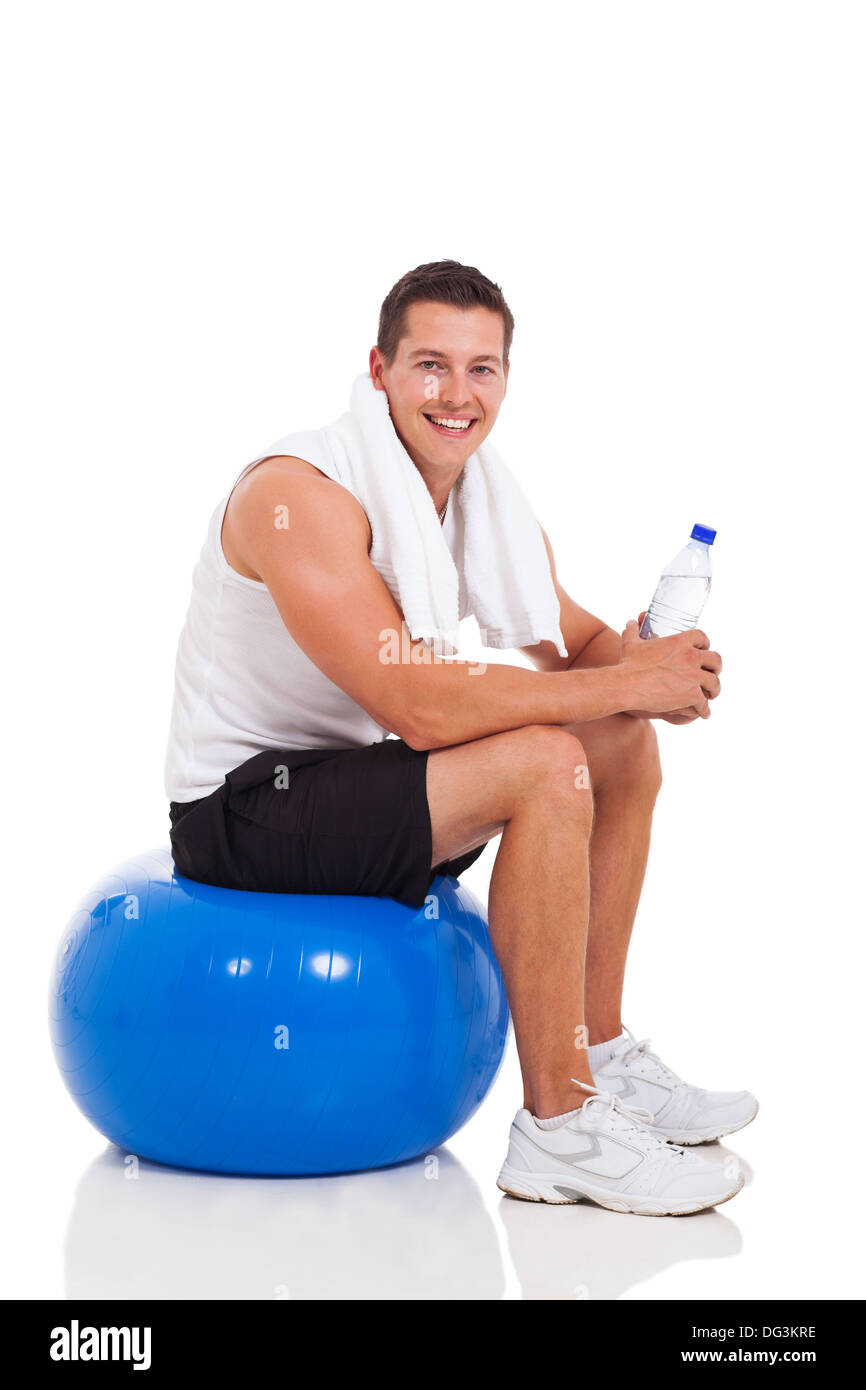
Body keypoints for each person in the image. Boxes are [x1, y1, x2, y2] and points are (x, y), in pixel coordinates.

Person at [164, 259, 757, 1216]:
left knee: (616, 745)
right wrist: (617, 684)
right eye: (431, 365)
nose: (456, 394)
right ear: (380, 371)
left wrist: (653, 668)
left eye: (482, 370)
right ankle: (559, 1131)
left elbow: (577, 648)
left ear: (507, 382)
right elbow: (420, 708)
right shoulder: (301, 494)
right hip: (245, 807)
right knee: (544, 762)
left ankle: (596, 1050)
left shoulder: (482, 501)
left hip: (363, 784)